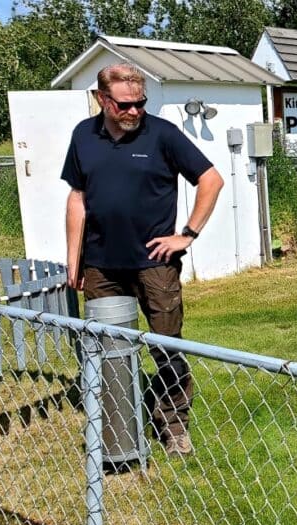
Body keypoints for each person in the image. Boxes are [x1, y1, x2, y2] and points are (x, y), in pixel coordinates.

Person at [61, 62, 224, 457]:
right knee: (104, 349)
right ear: (102, 99)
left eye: (140, 103)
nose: (134, 112)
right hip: (100, 266)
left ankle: (174, 426)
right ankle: (115, 426)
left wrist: (186, 235)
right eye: (125, 105)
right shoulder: (83, 136)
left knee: (166, 347)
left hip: (154, 266)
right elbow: (77, 199)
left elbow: (211, 179)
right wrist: (73, 259)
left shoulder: (163, 134)